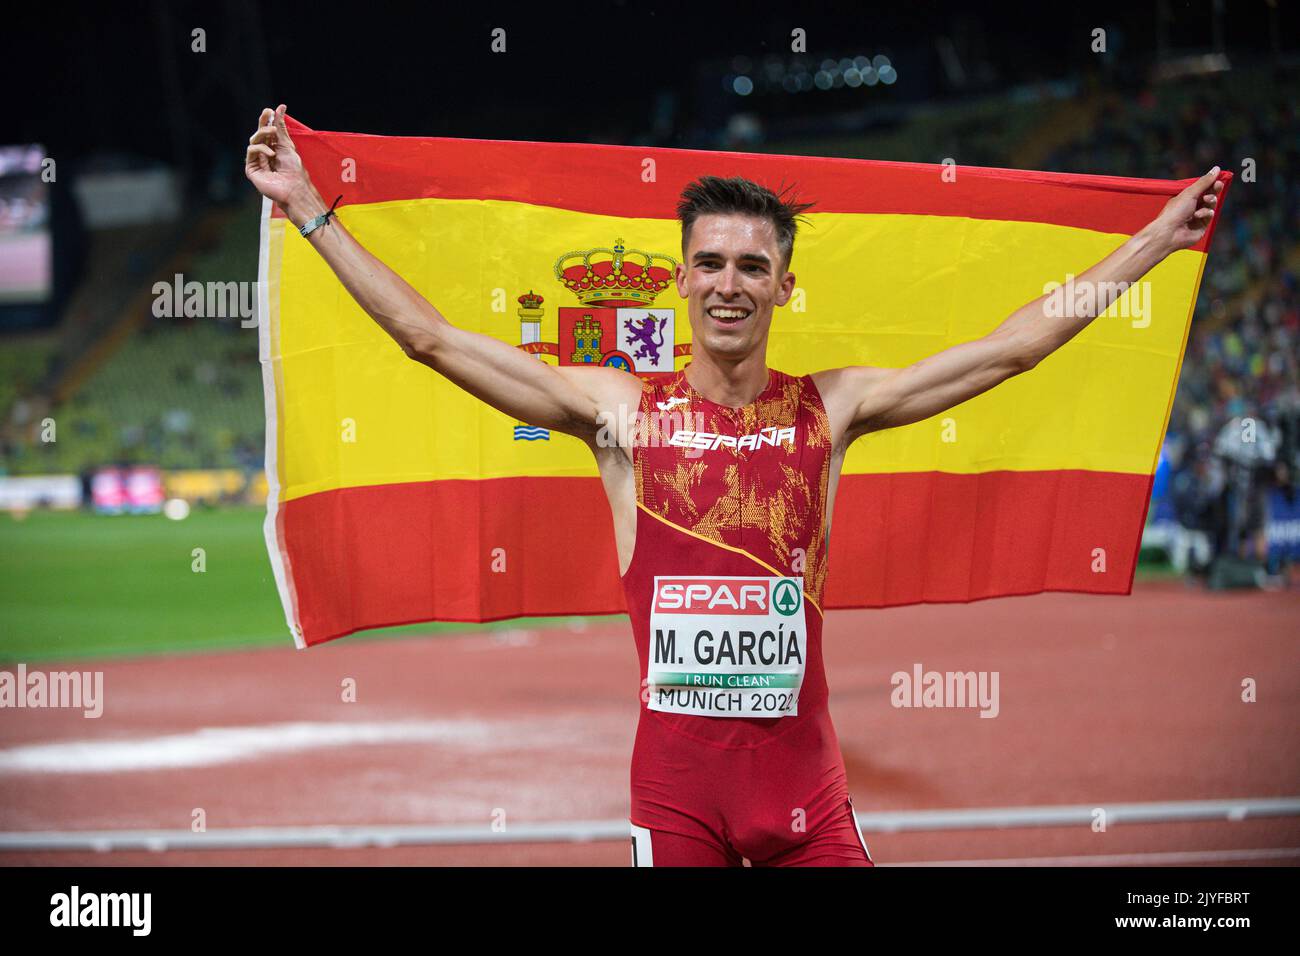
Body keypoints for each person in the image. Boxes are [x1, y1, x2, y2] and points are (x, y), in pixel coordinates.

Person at [245, 104, 1224, 867]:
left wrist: (1156, 238)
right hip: (677, 801)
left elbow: (1014, 347)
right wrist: (310, 209)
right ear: (677, 278)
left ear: (782, 287)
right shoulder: (619, 415)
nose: (728, 282)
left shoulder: (830, 410)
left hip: (809, 796)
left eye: (752, 266)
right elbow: (431, 338)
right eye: (708, 261)